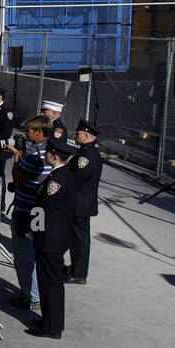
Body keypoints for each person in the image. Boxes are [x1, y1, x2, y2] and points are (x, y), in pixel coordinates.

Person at [28, 138, 77, 339]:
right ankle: (52, 320)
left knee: (50, 283)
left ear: (54, 156)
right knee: (51, 282)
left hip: (49, 239)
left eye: (48, 152)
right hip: (57, 236)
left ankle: (51, 326)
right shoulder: (65, 175)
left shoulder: (56, 180)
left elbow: (43, 209)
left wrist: (33, 230)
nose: (46, 154)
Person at [6, 116, 53, 314]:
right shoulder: (51, 150)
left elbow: (17, 177)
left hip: (26, 210)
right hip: (40, 210)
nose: (26, 134)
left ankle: (31, 295)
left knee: (24, 254)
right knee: (36, 251)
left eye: (29, 131)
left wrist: (17, 156)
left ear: (39, 132)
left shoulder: (34, 152)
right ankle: (35, 293)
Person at [68, 120, 102, 286]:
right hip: (78, 203)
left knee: (80, 240)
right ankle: (75, 267)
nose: (75, 135)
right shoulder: (84, 152)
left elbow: (75, 178)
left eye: (78, 133)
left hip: (80, 204)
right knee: (75, 238)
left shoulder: (87, 157)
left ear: (87, 135)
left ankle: (79, 273)